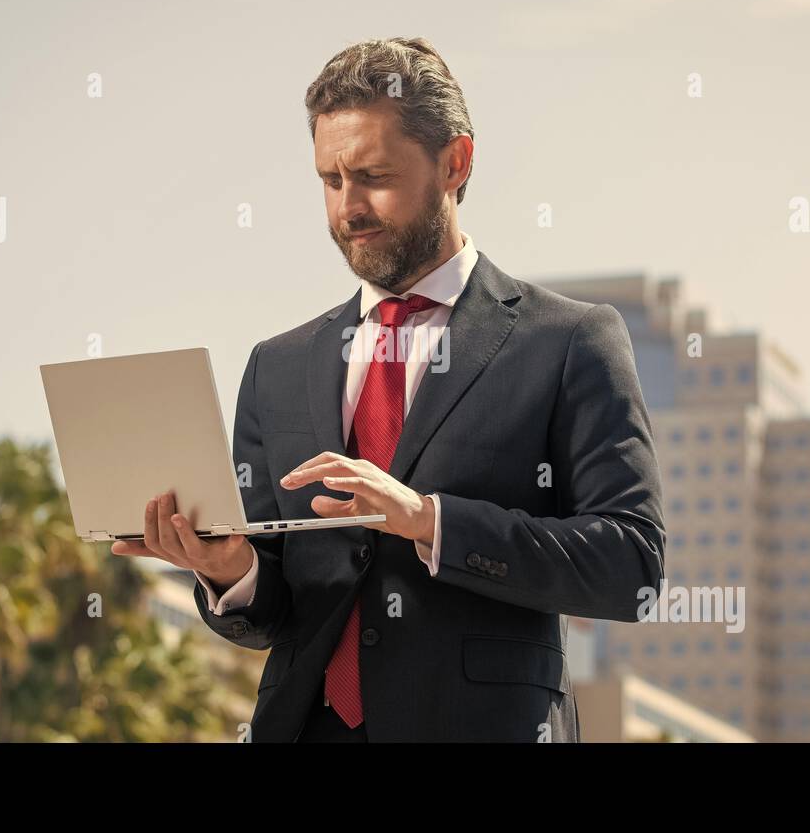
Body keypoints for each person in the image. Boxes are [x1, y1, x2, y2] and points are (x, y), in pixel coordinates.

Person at [113, 37, 666, 743]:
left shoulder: (569, 341)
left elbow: (630, 564)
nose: (349, 208)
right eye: (330, 179)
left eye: (372, 175)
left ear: (455, 161)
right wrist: (231, 570)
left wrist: (430, 519)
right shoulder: (275, 366)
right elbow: (278, 608)